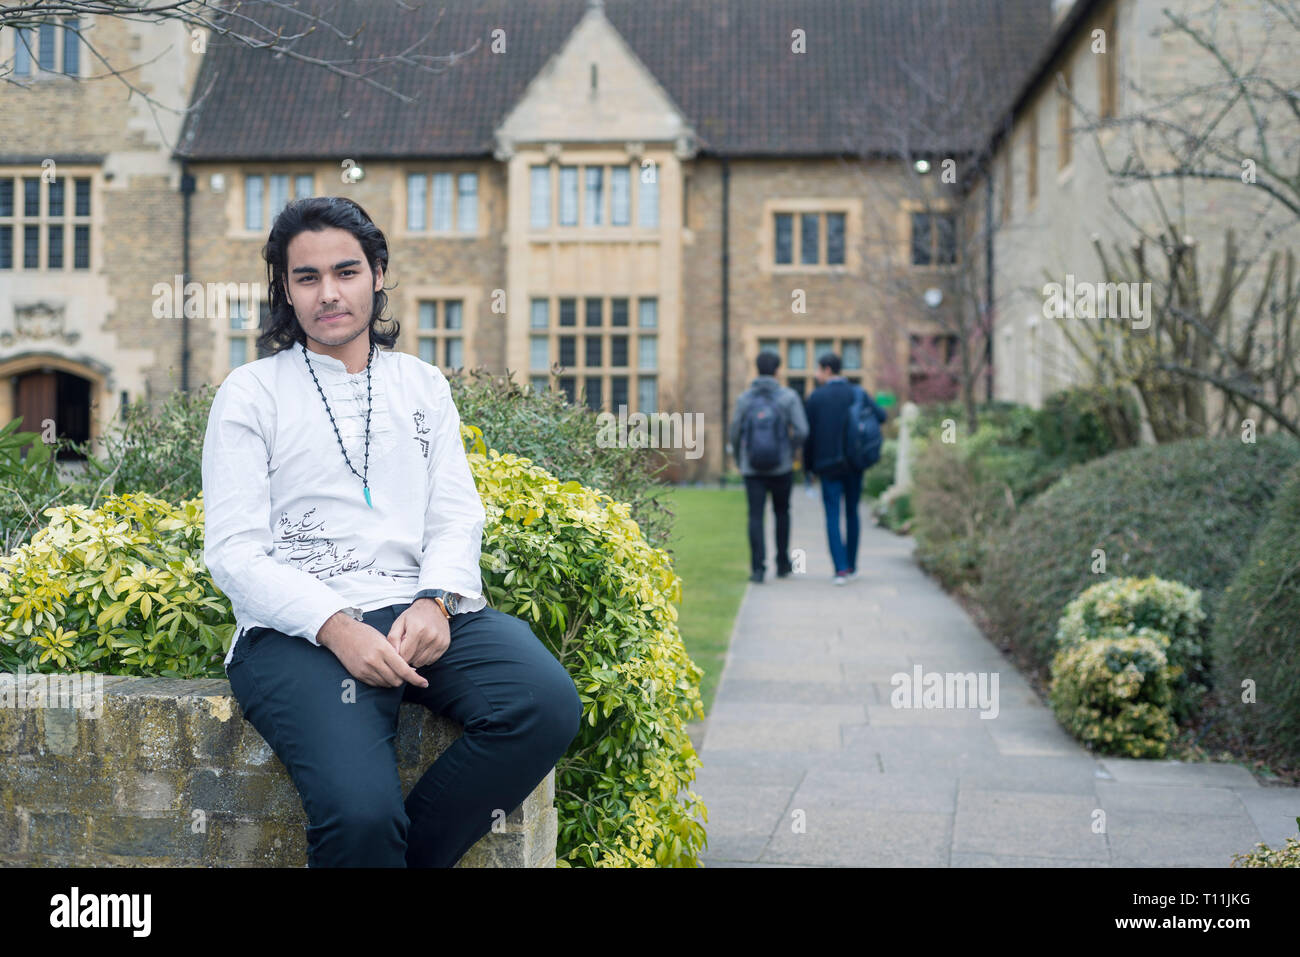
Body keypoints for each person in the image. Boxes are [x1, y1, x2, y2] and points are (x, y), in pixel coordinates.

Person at [201, 196, 582, 867]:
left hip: (420, 608)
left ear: (377, 273)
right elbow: (232, 551)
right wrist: (337, 626)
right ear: (285, 290)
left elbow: (456, 512)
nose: (329, 294)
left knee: (543, 704)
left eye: (346, 272)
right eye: (307, 277)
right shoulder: (250, 393)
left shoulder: (422, 384)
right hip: (298, 631)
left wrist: (437, 599)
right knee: (361, 814)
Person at [802, 352, 888, 584]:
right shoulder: (857, 393)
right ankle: (852, 566)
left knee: (832, 515)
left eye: (819, 370)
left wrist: (807, 468)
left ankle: (839, 569)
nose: (817, 374)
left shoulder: (816, 398)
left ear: (828, 370)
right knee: (852, 513)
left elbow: (808, 437)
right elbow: (882, 416)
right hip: (854, 464)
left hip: (828, 466)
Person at [727, 350, 809, 583]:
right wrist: (790, 448)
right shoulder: (788, 397)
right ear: (777, 371)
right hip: (781, 466)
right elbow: (803, 430)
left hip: (752, 468)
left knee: (755, 516)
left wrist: (740, 457)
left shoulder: (745, 399)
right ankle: (782, 563)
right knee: (782, 513)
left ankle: (758, 569)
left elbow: (734, 431)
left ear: (757, 369)